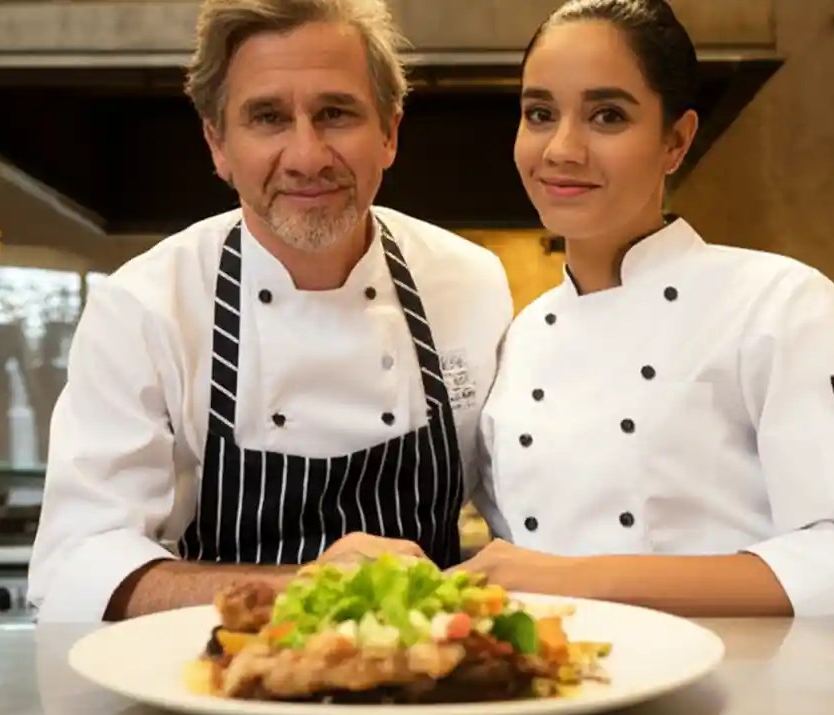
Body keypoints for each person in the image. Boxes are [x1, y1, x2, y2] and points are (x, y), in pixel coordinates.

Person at [28, 0, 513, 622]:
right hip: (214, 687)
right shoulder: (144, 308)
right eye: (268, 118)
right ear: (218, 143)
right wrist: (312, 588)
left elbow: (530, 514)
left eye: (335, 113)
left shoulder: (469, 284)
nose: (307, 156)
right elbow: (77, 566)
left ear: (390, 132)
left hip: (429, 686)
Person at [459, 0, 834, 616]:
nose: (562, 149)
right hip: (569, 692)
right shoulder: (519, 339)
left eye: (607, 115)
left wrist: (571, 579)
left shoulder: (777, 303)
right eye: (540, 113)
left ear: (676, 141)